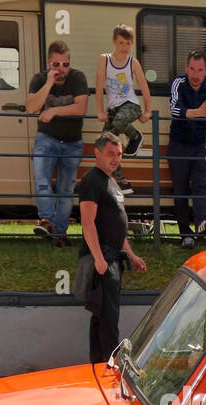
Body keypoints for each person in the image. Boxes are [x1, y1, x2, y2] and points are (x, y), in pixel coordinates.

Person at [78, 132, 147, 363]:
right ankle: (110, 364)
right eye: (111, 154)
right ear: (96, 153)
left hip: (113, 256)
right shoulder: (91, 181)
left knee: (103, 315)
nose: (116, 159)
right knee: (107, 317)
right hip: (104, 258)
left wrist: (132, 255)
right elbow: (87, 223)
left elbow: (116, 227)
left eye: (119, 154)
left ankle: (99, 364)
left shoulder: (111, 181)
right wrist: (99, 259)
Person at [26, 41, 88, 248]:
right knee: (40, 176)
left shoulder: (77, 77)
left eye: (65, 64)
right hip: (47, 139)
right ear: (48, 63)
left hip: (72, 142)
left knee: (66, 190)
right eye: (56, 64)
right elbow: (31, 107)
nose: (61, 69)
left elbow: (81, 108)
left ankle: (60, 234)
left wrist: (53, 111)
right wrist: (49, 84)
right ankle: (47, 221)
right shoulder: (39, 79)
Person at [168, 50, 206, 249]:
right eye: (192, 70)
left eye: (199, 70)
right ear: (186, 68)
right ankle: (186, 234)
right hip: (178, 144)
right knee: (181, 191)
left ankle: (202, 223)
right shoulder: (178, 83)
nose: (195, 75)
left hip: (201, 144)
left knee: (201, 183)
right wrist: (199, 112)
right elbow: (175, 109)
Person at [95, 24, 152, 196]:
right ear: (114, 41)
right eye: (121, 43)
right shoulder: (104, 59)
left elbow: (144, 85)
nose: (124, 47)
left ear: (132, 43)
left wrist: (147, 110)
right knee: (106, 144)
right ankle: (122, 182)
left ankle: (136, 136)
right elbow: (99, 86)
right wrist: (100, 111)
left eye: (128, 44)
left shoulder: (132, 62)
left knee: (120, 121)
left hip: (131, 105)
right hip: (113, 108)